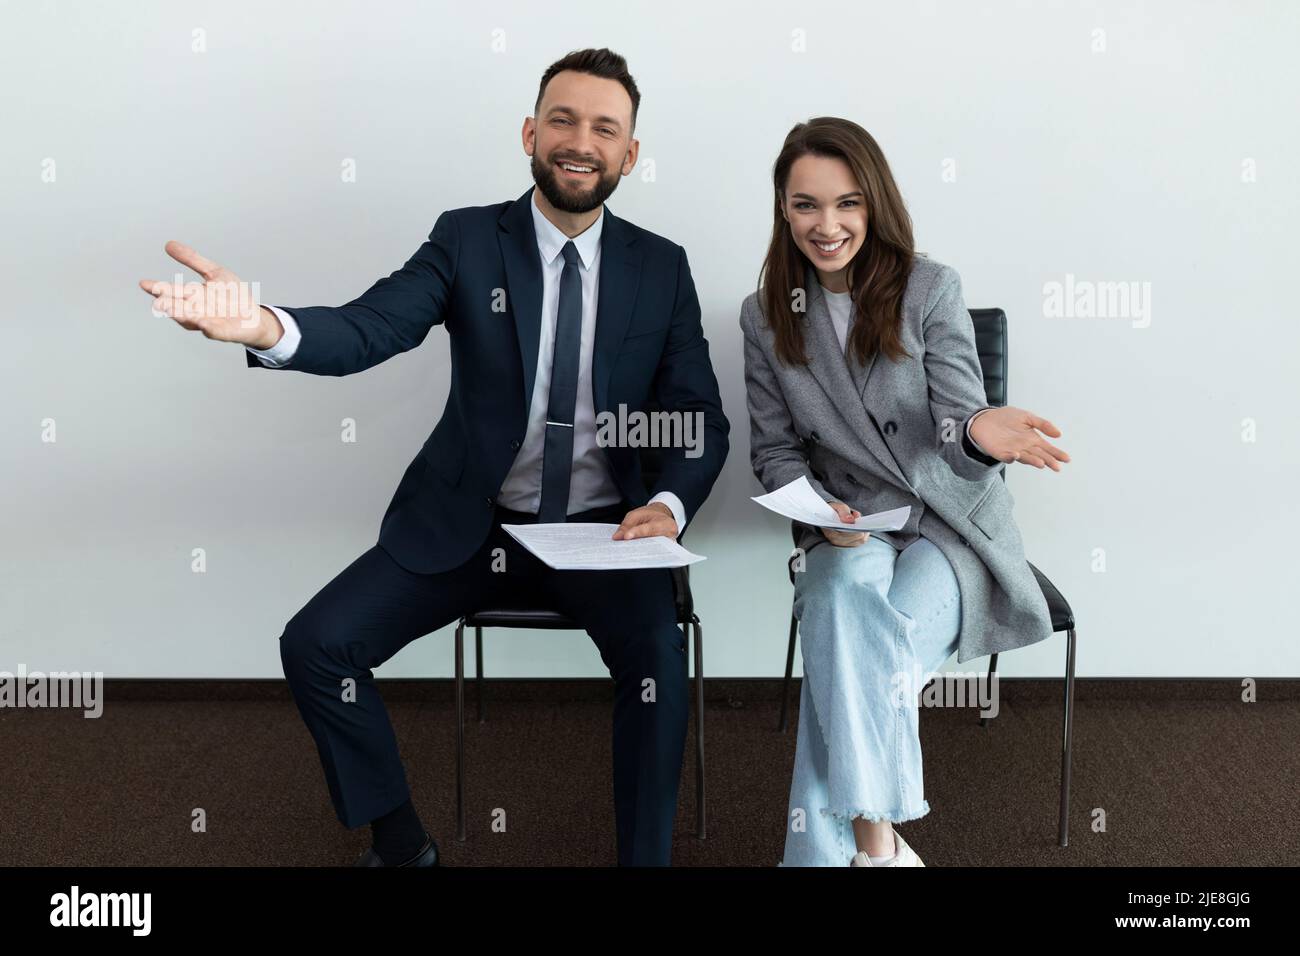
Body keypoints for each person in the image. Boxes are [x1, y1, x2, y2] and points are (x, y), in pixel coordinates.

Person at [139, 48, 729, 867]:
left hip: (605, 535)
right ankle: (401, 841)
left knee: (658, 665)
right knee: (317, 644)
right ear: (529, 132)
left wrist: (666, 508)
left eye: (605, 128)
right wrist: (267, 327)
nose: (579, 140)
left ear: (630, 155)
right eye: (561, 118)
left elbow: (698, 418)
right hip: (470, 528)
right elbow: (371, 326)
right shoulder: (466, 240)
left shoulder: (660, 267)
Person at [740, 117, 1069, 867]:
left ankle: (855, 852)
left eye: (847, 203)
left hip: (947, 529)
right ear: (783, 211)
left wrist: (982, 431)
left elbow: (958, 420)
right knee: (838, 610)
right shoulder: (764, 318)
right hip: (849, 525)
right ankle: (881, 853)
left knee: (856, 654)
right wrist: (818, 511)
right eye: (806, 206)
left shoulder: (930, 288)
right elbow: (775, 448)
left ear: (874, 205)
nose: (827, 226)